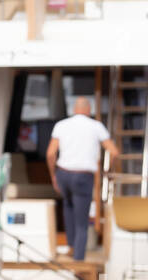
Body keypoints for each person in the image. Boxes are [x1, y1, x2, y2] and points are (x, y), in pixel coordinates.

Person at [46, 97, 120, 261]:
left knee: (68, 207)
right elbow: (114, 152)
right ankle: (78, 261)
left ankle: (71, 247)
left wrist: (53, 176)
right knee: (82, 220)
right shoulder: (96, 126)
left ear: (74, 109)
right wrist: (107, 170)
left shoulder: (61, 125)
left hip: (63, 174)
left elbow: (51, 154)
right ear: (88, 110)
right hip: (83, 176)